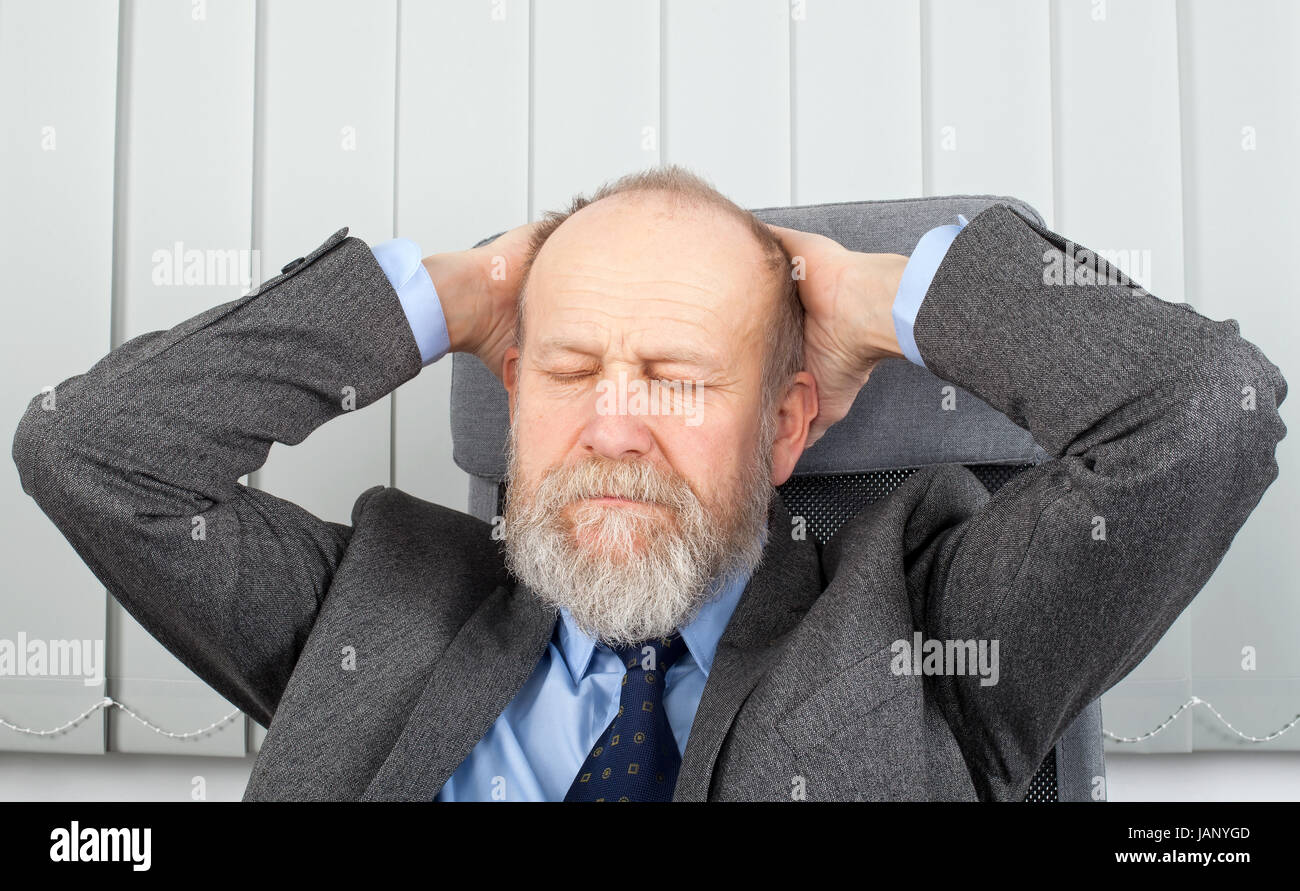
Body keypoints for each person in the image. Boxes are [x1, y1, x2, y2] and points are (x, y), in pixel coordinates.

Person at [12, 166, 1287, 801]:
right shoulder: (372, 612)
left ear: (787, 427)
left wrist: (881, 293)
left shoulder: (928, 634)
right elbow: (93, 452)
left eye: (677, 377)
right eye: (569, 370)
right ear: (512, 400)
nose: (612, 428)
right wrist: (450, 297)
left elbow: (1206, 416)